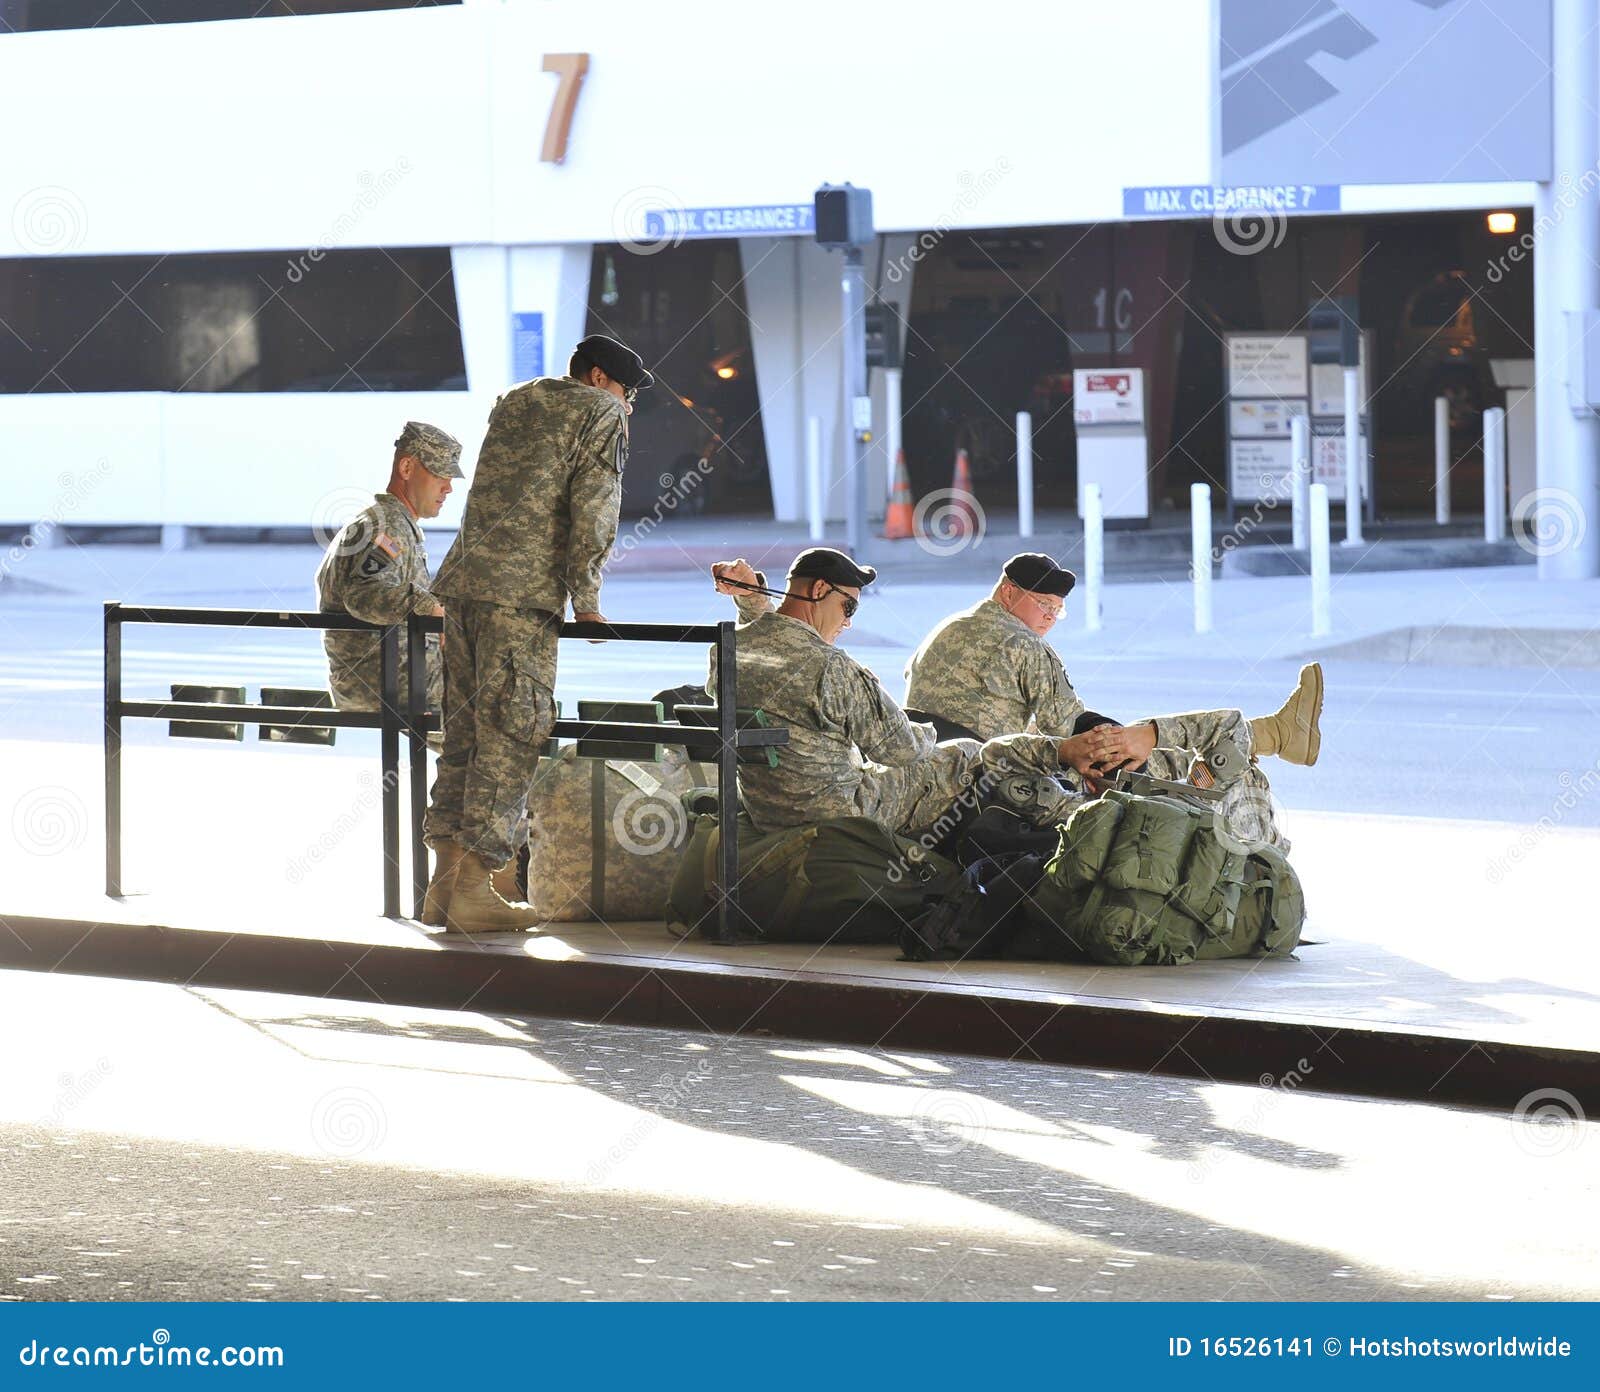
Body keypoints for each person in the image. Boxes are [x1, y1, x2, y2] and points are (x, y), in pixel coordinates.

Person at [422, 334, 652, 933]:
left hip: (464, 585)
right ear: (600, 379)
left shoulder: (516, 399)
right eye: (627, 393)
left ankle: (445, 887)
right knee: (512, 735)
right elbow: (595, 505)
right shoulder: (598, 411)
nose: (628, 406)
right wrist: (589, 599)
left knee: (465, 737)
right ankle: (474, 890)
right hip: (520, 600)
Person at [901, 551, 1323, 849]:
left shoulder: (945, 629)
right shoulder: (1023, 645)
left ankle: (1273, 736)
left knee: (1134, 745)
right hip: (996, 780)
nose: (1050, 617)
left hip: (942, 776)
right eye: (1044, 605)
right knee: (1149, 753)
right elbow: (1077, 731)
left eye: (1057, 611)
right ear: (1008, 594)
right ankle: (1270, 737)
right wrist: (1133, 739)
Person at [708, 550, 1100, 839]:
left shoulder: (728, 651)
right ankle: (1086, 821)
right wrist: (930, 733)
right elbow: (901, 752)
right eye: (847, 607)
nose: (846, 621)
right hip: (842, 809)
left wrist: (752, 602)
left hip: (768, 807)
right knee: (967, 754)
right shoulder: (832, 667)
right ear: (819, 589)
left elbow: (776, 646)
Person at [314, 421, 461, 730]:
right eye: (439, 474)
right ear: (406, 467)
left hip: (396, 679)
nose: (448, 487)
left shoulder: (389, 522)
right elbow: (364, 596)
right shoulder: (386, 527)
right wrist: (428, 606)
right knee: (505, 727)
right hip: (392, 684)